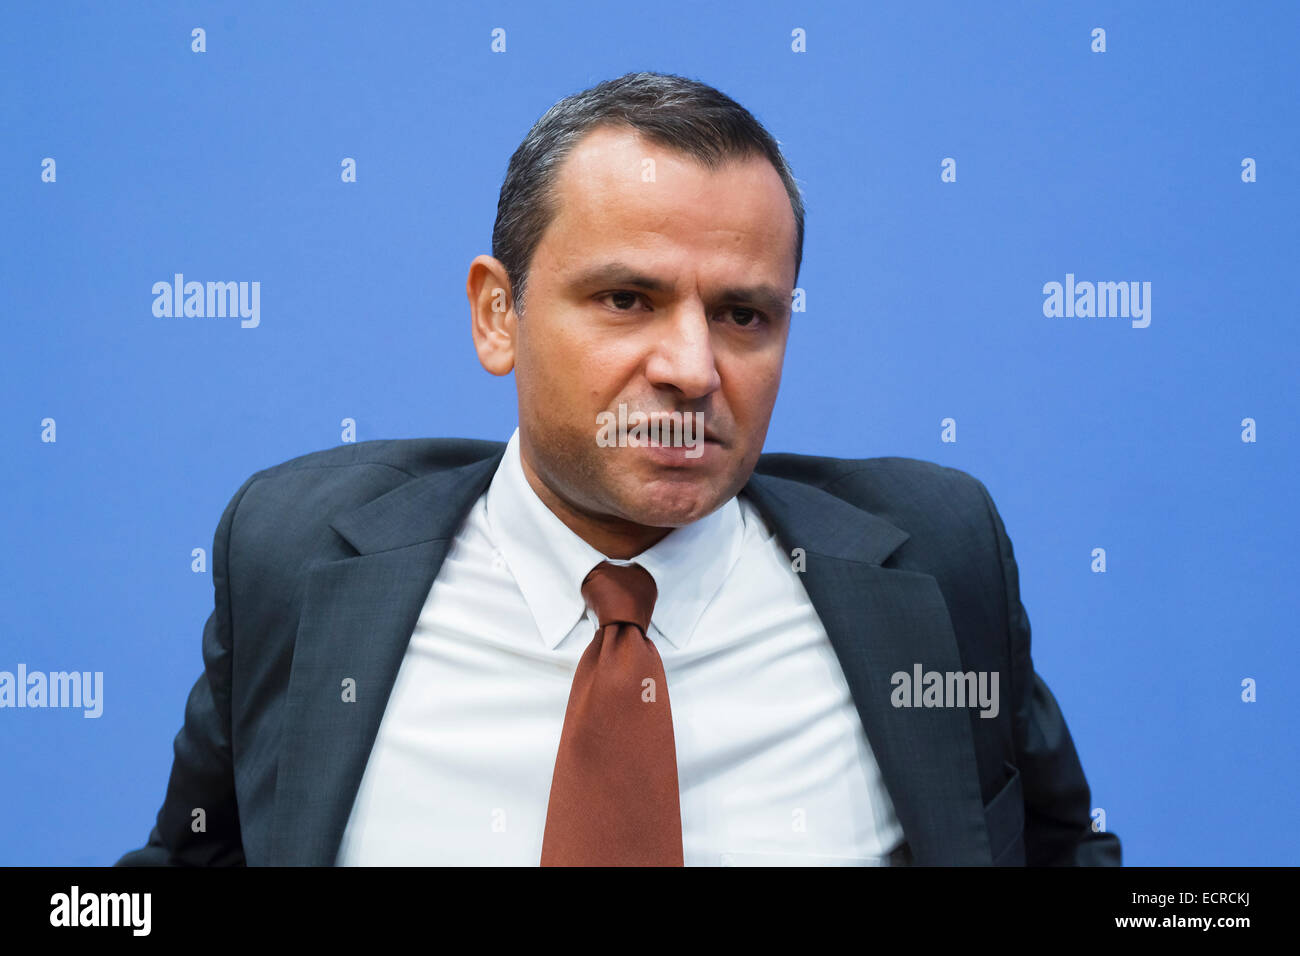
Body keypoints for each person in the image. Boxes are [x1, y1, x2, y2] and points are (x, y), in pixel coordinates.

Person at [117, 71, 1120, 867]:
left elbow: (1061, 853)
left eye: (743, 314)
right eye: (627, 299)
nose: (691, 370)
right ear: (496, 315)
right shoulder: (296, 554)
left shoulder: (936, 564)